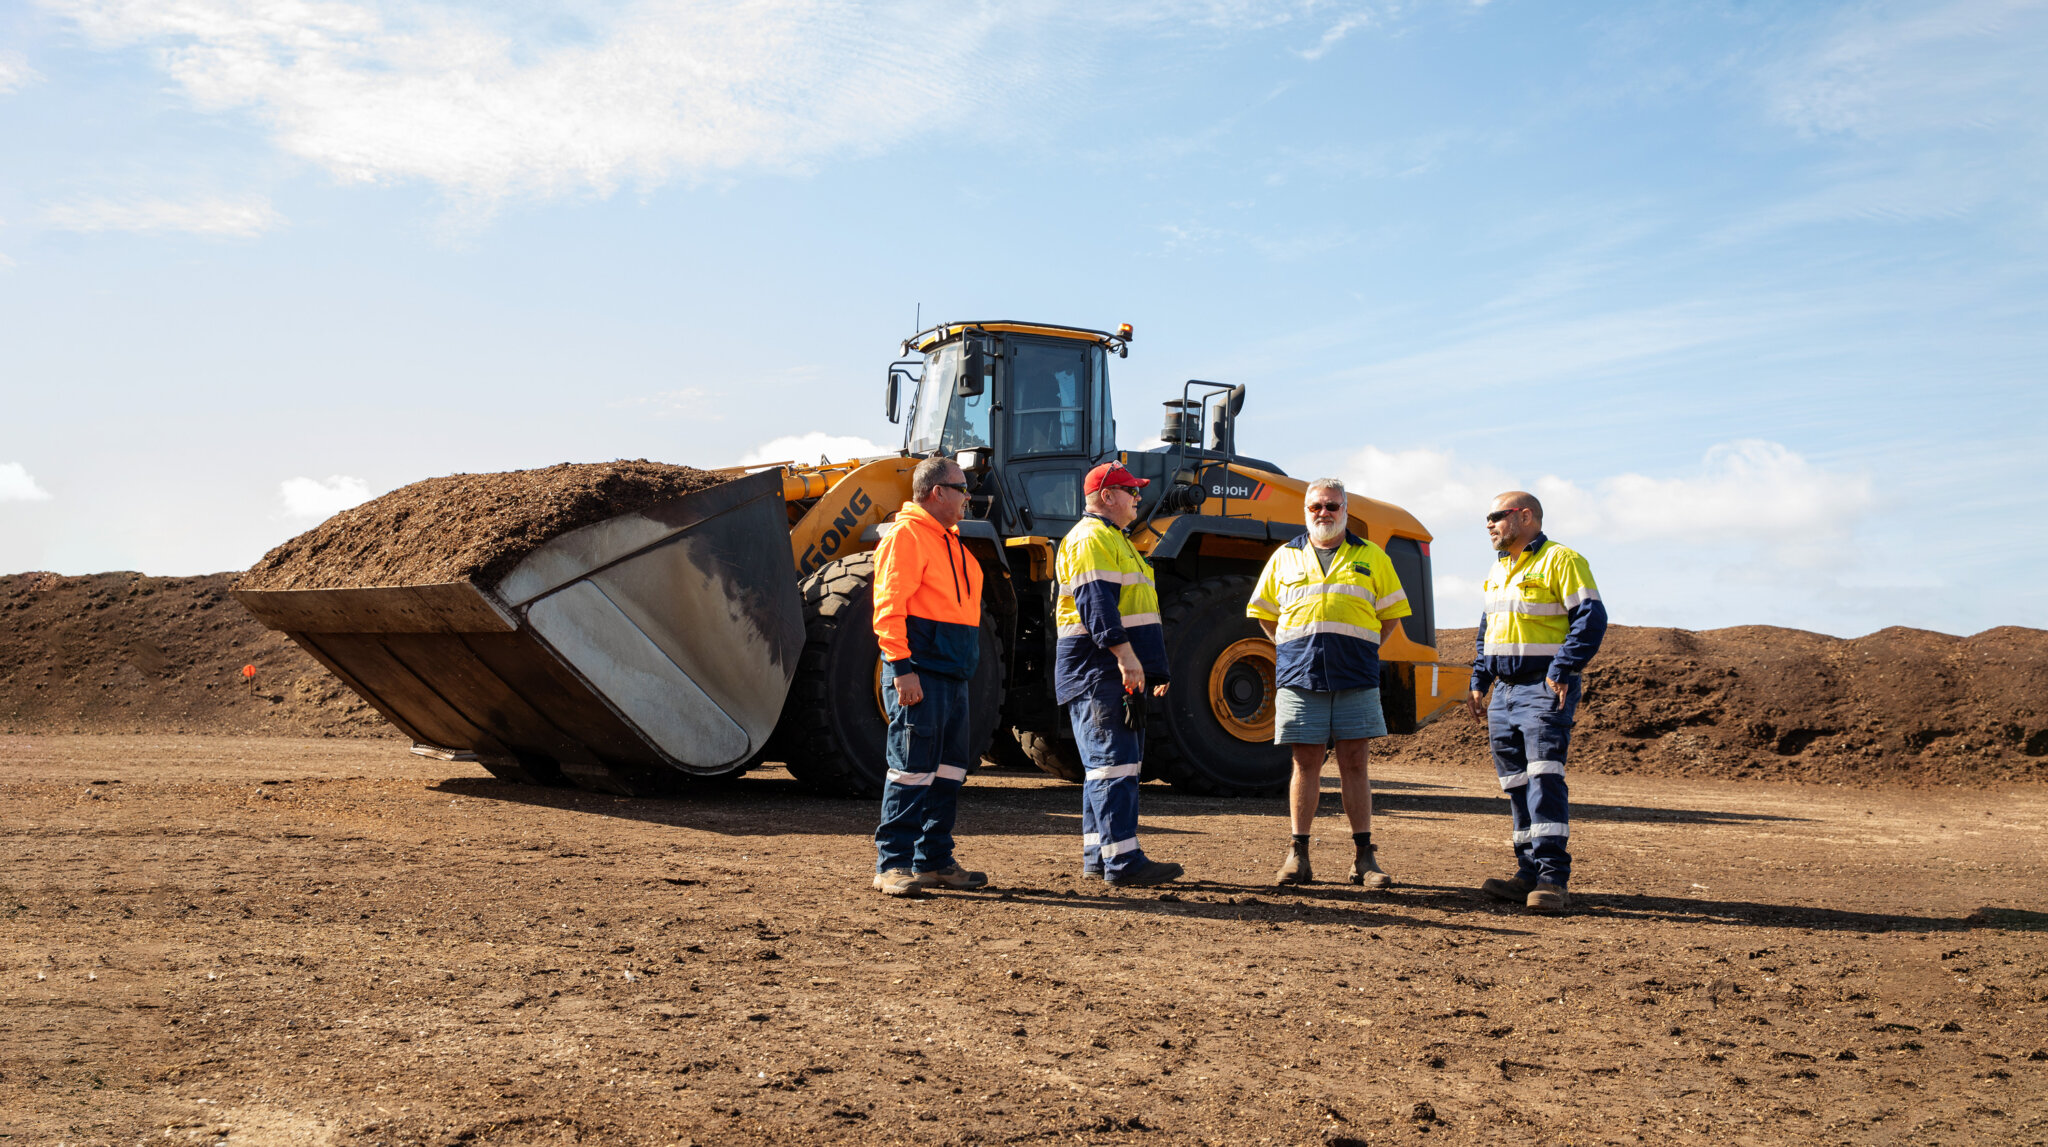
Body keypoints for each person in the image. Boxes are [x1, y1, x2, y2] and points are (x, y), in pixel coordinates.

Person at [1246, 478, 1412, 888]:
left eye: (1332, 506)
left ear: (1345, 510)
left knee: (1355, 763)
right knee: (1305, 763)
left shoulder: (1372, 556)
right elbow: (1266, 615)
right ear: (1305, 510)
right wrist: (1294, 649)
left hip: (1355, 676)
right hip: (1300, 676)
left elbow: (1391, 617)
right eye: (1317, 506)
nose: (1324, 513)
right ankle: (1298, 856)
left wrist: (1360, 649)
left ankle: (1364, 859)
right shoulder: (1284, 557)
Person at [1465, 490, 1607, 914]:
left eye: (1496, 516)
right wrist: (1480, 679)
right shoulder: (1499, 569)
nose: (1488, 524)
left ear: (1525, 516)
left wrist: (1563, 668)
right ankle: (1527, 873)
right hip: (1504, 692)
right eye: (1487, 518)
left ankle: (1552, 880)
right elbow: (1489, 631)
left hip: (1543, 689)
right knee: (1516, 785)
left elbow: (1591, 617)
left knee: (1544, 780)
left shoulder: (1562, 560)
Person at [1054, 461, 1184, 887]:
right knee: (1114, 766)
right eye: (1131, 490)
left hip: (1105, 670)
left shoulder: (1113, 538)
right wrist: (1126, 657)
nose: (1139, 498)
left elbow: (1133, 610)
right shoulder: (1093, 537)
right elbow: (1098, 606)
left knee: (1106, 768)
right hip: (1101, 671)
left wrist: (1153, 667)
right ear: (1107, 496)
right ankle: (1123, 861)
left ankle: (1101, 856)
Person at [870, 456, 989, 897]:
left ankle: (934, 860)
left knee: (948, 772)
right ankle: (892, 865)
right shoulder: (907, 536)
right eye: (962, 488)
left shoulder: (950, 541)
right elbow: (888, 609)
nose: (968, 497)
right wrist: (902, 670)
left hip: (952, 675)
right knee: (911, 771)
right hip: (920, 674)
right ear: (938, 492)